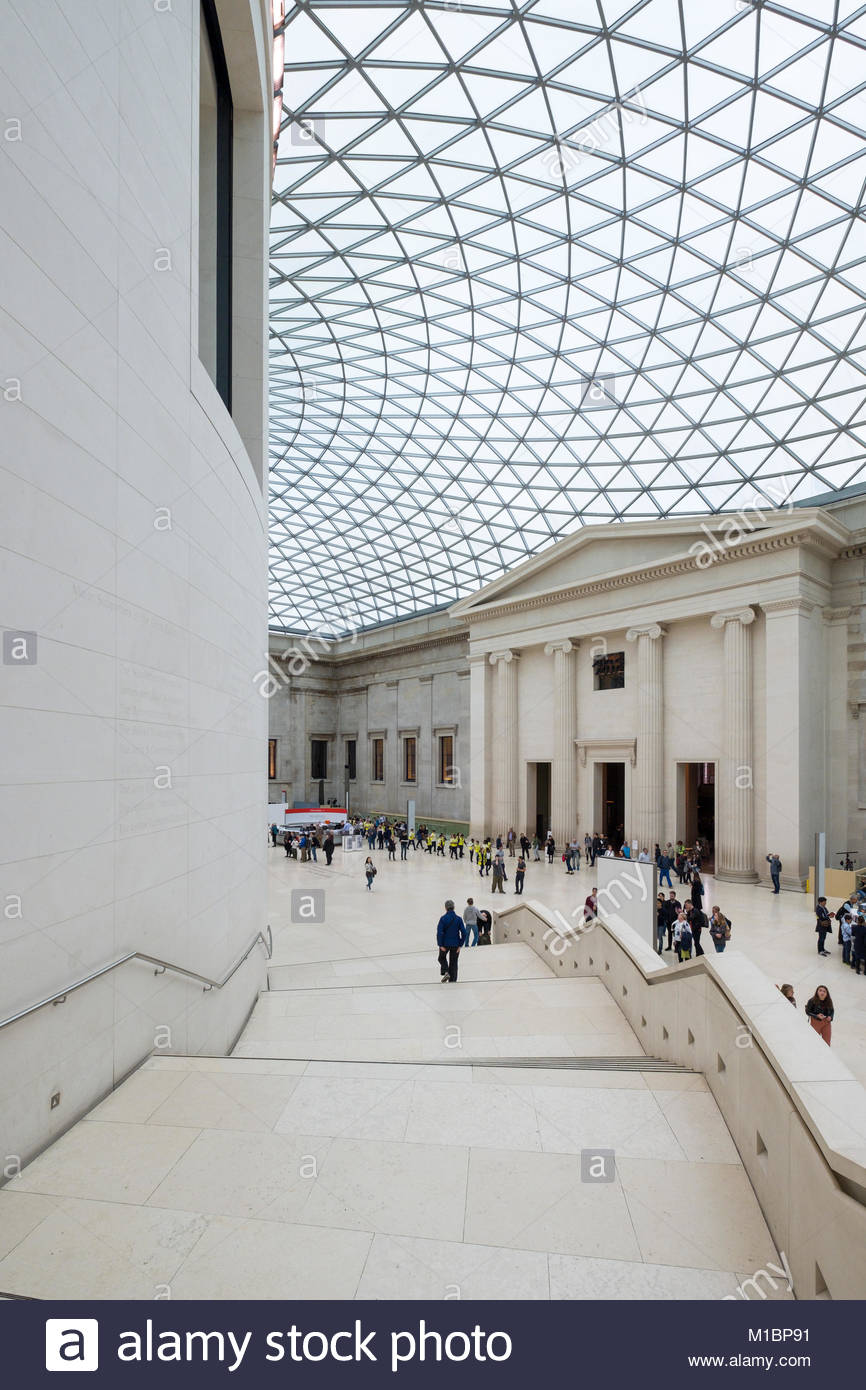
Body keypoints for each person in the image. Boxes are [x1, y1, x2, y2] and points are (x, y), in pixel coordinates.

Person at [436, 899, 467, 982]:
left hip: (445, 944)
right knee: (453, 962)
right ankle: (452, 981)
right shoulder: (458, 919)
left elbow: (439, 933)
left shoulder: (443, 919)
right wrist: (460, 945)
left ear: (445, 908)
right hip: (456, 944)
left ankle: (446, 972)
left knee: (441, 958)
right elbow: (464, 933)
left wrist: (440, 945)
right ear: (454, 907)